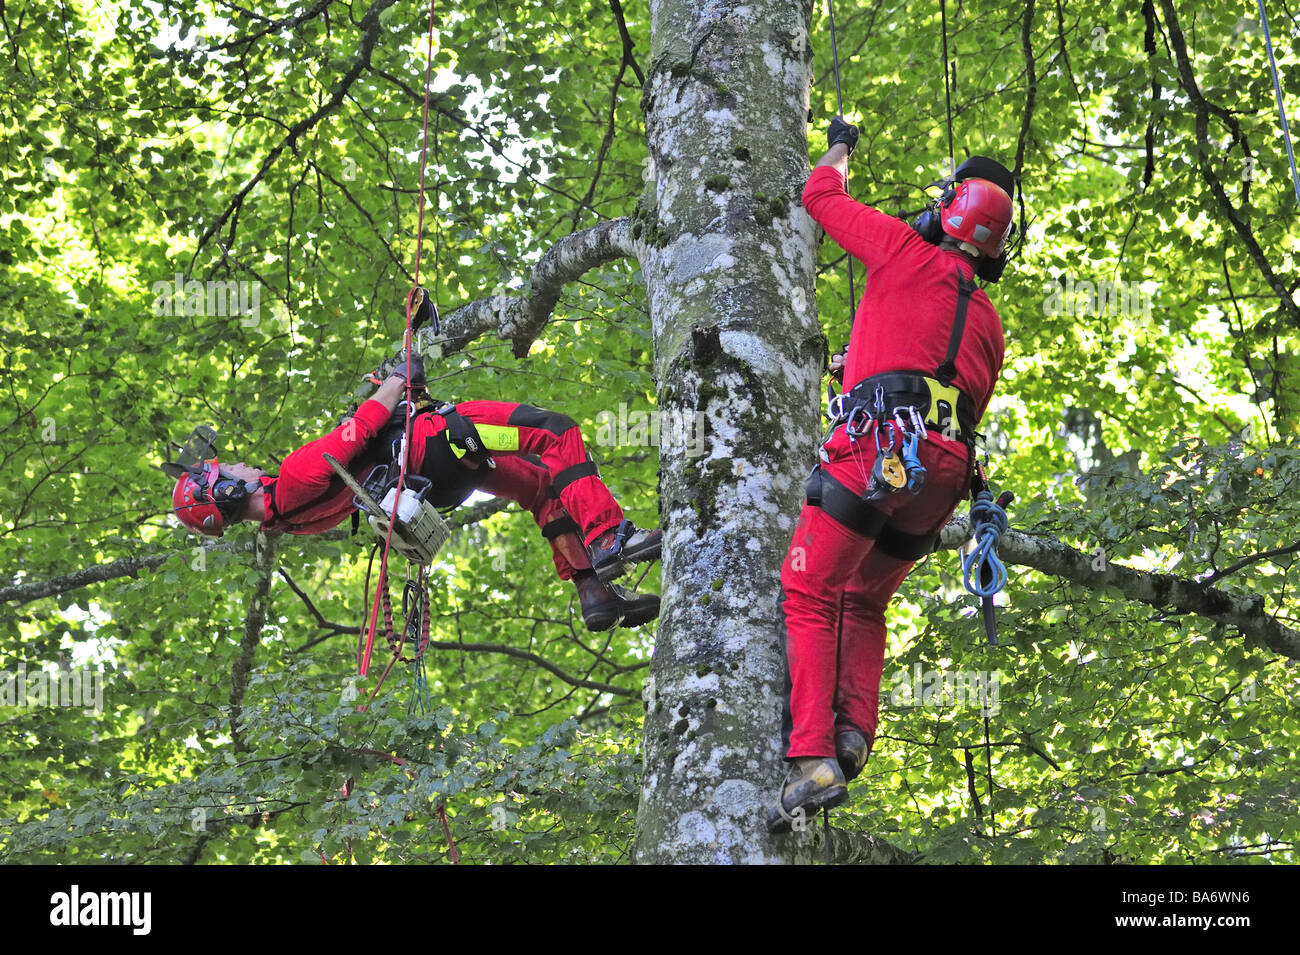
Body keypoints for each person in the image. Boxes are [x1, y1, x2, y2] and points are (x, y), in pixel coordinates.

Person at [767, 116, 1014, 831]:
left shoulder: (904, 249)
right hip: (940, 474)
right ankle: (855, 732)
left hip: (877, 450)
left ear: (946, 211)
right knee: (865, 597)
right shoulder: (991, 321)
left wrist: (840, 146)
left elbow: (820, 196)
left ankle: (813, 756)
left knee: (809, 585)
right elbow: (940, 377)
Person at [166, 358, 661, 632]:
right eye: (230, 469)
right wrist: (397, 382)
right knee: (554, 432)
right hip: (438, 443)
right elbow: (362, 429)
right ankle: (609, 536)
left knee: (537, 485)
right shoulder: (295, 473)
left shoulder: (290, 518)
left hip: (439, 480)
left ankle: (591, 588)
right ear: (228, 490)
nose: (241, 464)